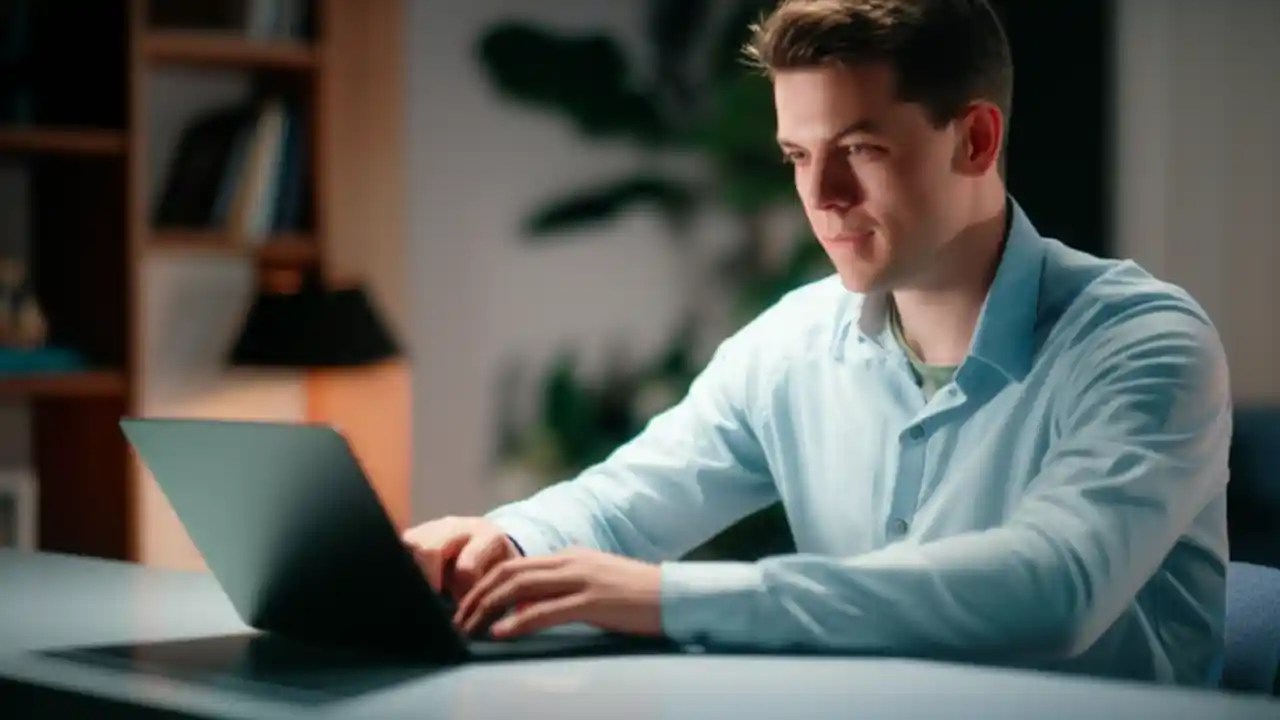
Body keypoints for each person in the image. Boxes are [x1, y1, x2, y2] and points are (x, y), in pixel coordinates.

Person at [402, 0, 1231, 686]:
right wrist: (504, 542)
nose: (821, 196)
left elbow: (1057, 585)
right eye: (798, 154)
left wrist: (669, 599)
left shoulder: (1144, 343)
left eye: (860, 149)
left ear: (975, 140)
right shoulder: (793, 343)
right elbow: (628, 497)